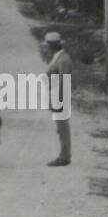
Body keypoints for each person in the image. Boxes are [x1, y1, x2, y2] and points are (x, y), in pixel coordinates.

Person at [43, 31, 74, 167]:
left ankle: (64, 156)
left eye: (48, 47)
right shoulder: (59, 57)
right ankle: (64, 153)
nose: (46, 49)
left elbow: (63, 81)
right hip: (55, 94)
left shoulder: (63, 60)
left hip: (60, 96)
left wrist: (59, 101)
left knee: (62, 127)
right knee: (60, 127)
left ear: (53, 46)